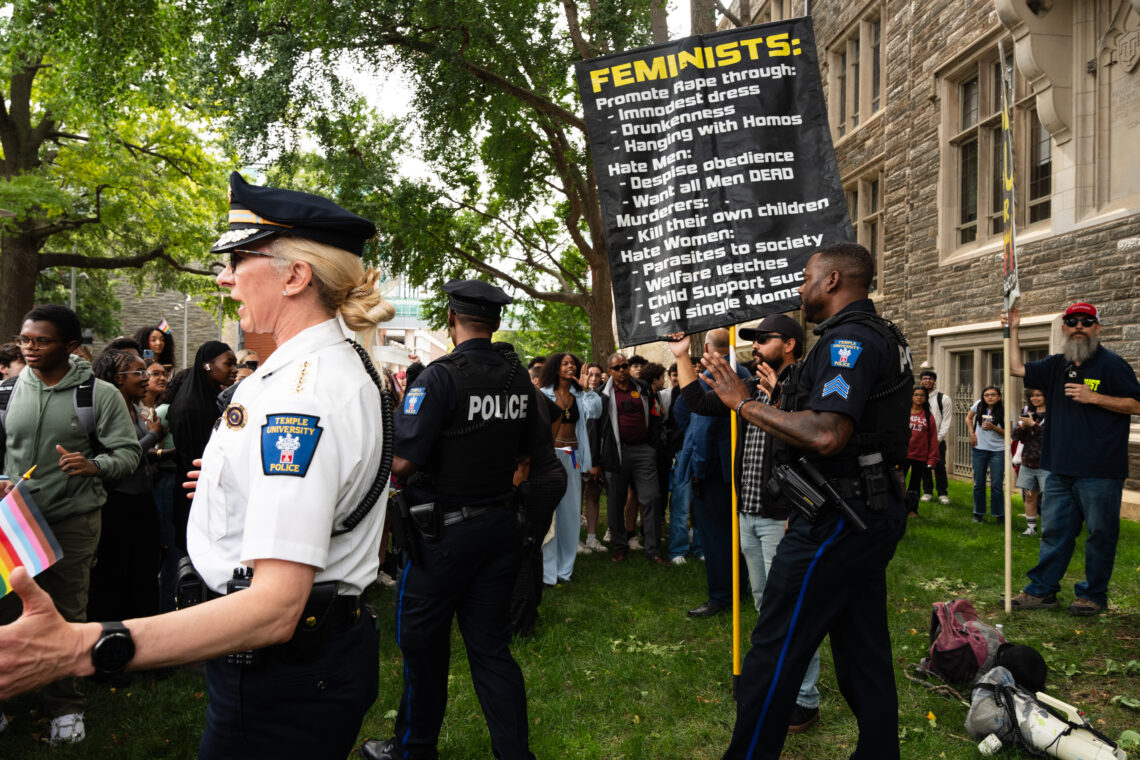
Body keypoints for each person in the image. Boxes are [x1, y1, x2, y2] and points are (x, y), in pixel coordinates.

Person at [0, 172, 396, 757]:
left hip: (278, 671)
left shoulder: (299, 394)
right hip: (311, 665)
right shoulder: (327, 364)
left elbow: (275, 606)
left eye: (238, 258)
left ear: (295, 275)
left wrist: (80, 647)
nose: (224, 276)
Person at [690, 243, 912, 759]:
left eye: (806, 277)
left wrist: (741, 403)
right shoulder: (875, 334)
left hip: (841, 516)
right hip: (867, 511)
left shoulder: (850, 340)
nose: (800, 288)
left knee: (774, 649)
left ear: (833, 280)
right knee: (863, 651)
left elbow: (828, 434)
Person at [360, 280, 565, 760]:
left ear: (452, 320)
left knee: (422, 647)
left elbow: (404, 464)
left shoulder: (438, 377)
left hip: (442, 535)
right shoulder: (520, 379)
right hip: (498, 527)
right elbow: (537, 449)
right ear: (494, 323)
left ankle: (414, 750)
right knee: (491, 651)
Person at [670, 312, 824, 733]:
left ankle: (805, 699)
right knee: (764, 604)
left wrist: (780, 400)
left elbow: (817, 443)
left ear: (790, 344)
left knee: (791, 608)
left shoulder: (807, 388)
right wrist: (683, 356)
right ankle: (779, 683)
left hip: (783, 518)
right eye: (753, 341)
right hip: (749, 513)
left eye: (764, 340)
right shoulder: (753, 387)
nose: (754, 346)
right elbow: (700, 402)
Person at [0, 304, 141, 744]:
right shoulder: (7, 391)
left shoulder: (97, 395)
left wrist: (95, 465)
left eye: (41, 341)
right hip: (15, 520)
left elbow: (129, 454)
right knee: (4, 608)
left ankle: (65, 708)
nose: (30, 348)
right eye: (25, 340)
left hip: (73, 521)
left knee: (65, 612)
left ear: (71, 346)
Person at [1005, 302, 1140, 616]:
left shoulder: (1112, 365)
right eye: (1072, 321)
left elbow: (1136, 404)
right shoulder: (1056, 365)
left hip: (1100, 471)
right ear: (1064, 328)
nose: (1079, 326)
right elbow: (1016, 368)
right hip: (1058, 467)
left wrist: (1096, 397)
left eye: (1086, 321)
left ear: (1097, 329)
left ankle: (1092, 595)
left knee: (1100, 534)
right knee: (1055, 532)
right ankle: (1042, 591)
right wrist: (1013, 330)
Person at [675, 328, 750, 618]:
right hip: (739, 464)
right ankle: (739, 586)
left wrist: (697, 466)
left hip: (716, 466)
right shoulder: (743, 370)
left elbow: (695, 416)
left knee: (718, 536)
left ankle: (722, 595)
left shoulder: (711, 374)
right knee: (738, 534)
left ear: (706, 347)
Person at [86, 350, 164, 628]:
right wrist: (154, 436)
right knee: (115, 571)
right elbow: (126, 454)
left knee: (143, 569)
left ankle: (142, 634)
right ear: (119, 378)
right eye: (140, 373)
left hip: (141, 498)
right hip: (117, 501)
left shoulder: (134, 407)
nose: (146, 378)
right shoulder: (109, 408)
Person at [595, 352, 667, 564]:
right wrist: (596, 460)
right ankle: (620, 546)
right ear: (610, 371)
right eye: (616, 368)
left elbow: (655, 415)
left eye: (624, 366)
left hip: (643, 451)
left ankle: (653, 549)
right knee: (616, 501)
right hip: (616, 453)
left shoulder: (642, 388)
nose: (621, 370)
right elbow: (596, 428)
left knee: (651, 497)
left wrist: (653, 445)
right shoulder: (602, 394)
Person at [167, 340, 236, 556]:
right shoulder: (192, 407)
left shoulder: (211, 399)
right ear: (207, 366)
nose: (234, 370)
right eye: (229, 364)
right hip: (195, 494)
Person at [538, 352, 601, 585]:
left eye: (572, 363)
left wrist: (586, 389)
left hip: (572, 456)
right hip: (550, 456)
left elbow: (596, 411)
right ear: (555, 368)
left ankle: (565, 570)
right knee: (550, 513)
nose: (570, 367)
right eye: (565, 364)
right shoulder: (544, 394)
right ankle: (548, 571)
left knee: (571, 512)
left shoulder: (579, 394)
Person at [966, 386, 1005, 523]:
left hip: (998, 451)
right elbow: (968, 418)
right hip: (979, 448)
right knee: (979, 483)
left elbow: (1009, 433)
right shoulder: (979, 405)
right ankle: (978, 513)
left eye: (993, 395)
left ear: (999, 397)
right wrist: (972, 433)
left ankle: (999, 514)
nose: (989, 397)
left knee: (996, 484)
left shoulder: (1005, 410)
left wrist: (994, 427)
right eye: (986, 395)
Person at [1012, 388, 1047, 536]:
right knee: (1029, 496)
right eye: (1032, 395)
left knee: (1048, 499)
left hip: (1046, 463)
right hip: (1028, 460)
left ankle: (1048, 531)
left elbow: (1049, 437)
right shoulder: (1027, 412)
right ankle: (1031, 528)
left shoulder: (1054, 414)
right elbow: (1014, 436)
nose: (1035, 398)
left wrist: (1032, 424)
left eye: (1039, 395)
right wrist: (1022, 427)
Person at [918, 369, 953, 504]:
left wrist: (939, 438)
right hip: (921, 440)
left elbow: (946, 420)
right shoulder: (917, 397)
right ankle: (927, 492)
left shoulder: (943, 398)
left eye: (930, 379)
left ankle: (942, 493)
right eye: (925, 378)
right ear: (921, 380)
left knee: (939, 466)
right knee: (923, 467)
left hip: (937, 440)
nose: (928, 381)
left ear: (934, 381)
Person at [904, 386, 939, 517]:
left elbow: (932, 438)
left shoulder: (928, 416)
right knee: (898, 482)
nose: (919, 397)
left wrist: (932, 458)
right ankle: (897, 508)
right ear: (911, 396)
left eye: (922, 395)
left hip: (920, 455)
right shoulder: (904, 412)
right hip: (904, 454)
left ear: (926, 398)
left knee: (915, 484)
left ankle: (912, 509)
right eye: (916, 394)